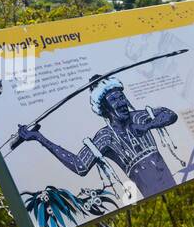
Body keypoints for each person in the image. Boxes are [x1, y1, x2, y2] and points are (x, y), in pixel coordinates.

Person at [17, 76, 178, 197]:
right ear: (105, 107)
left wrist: (147, 126)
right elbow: (80, 166)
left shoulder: (140, 117)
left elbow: (169, 114)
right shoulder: (105, 137)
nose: (121, 102)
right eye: (114, 99)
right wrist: (40, 138)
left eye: (121, 97)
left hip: (173, 186)